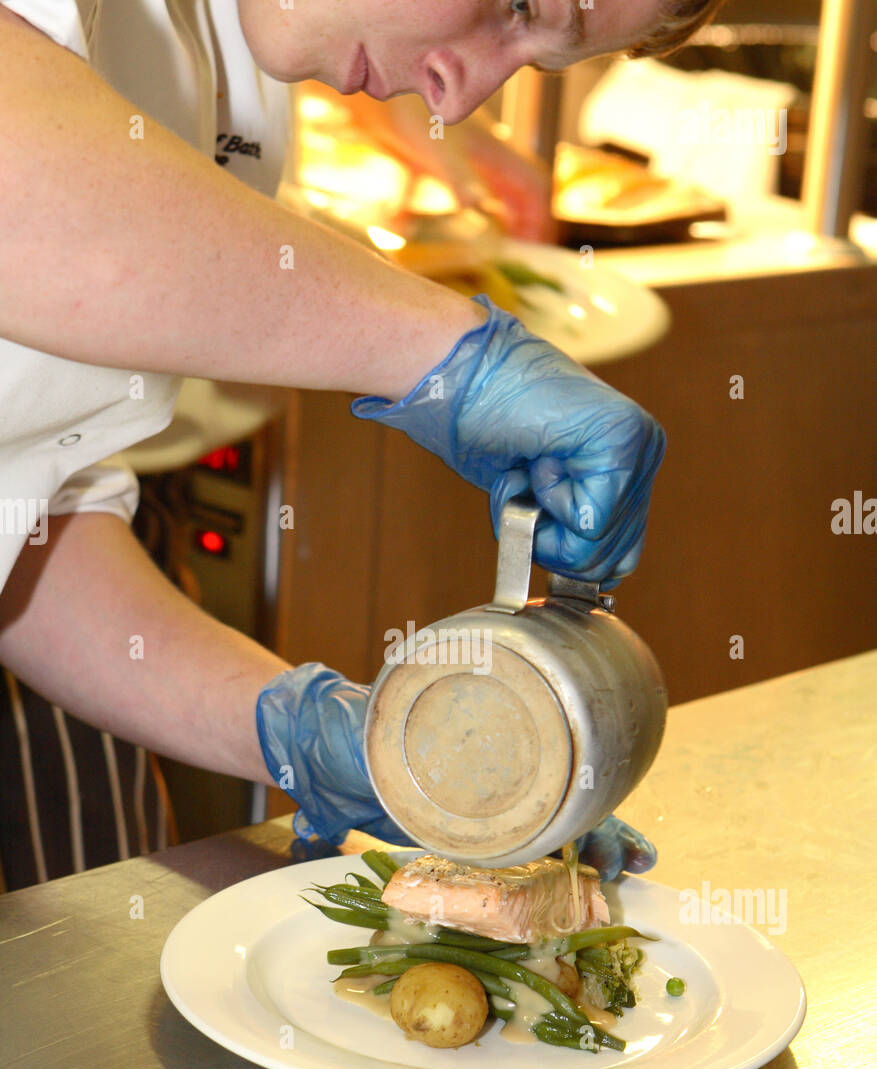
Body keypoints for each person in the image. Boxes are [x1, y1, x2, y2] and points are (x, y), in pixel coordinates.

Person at [0, 0, 722, 881]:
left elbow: (31, 516)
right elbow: (33, 205)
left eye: (532, 60)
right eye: (523, 4)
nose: (457, 101)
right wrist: (443, 354)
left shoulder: (239, 80)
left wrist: (318, 735)